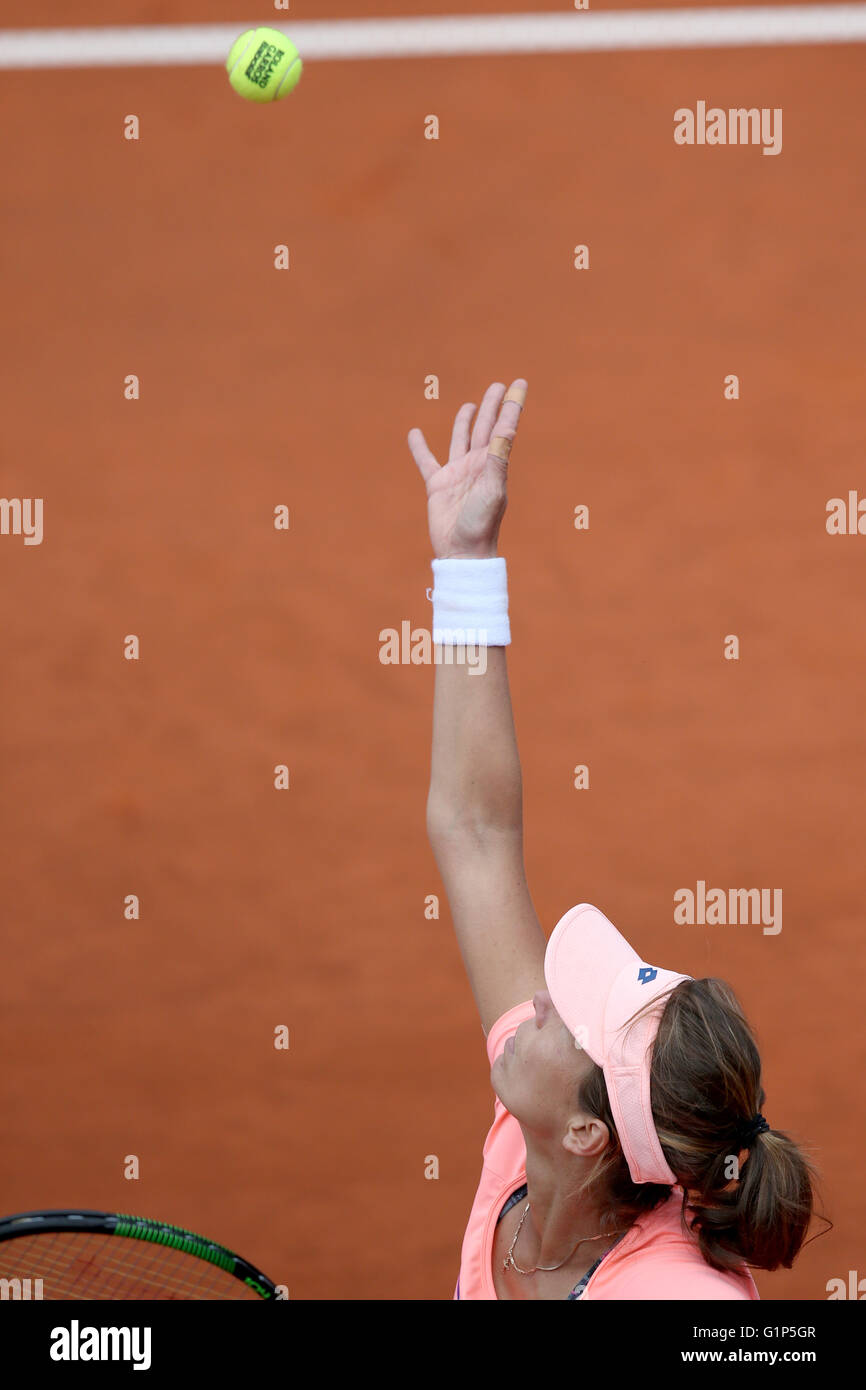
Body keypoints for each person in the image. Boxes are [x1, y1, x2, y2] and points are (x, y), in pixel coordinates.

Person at [408, 379, 816, 1300]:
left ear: (590, 1132)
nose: (539, 1005)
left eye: (566, 1019)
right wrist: (467, 564)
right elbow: (475, 830)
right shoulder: (536, 1134)